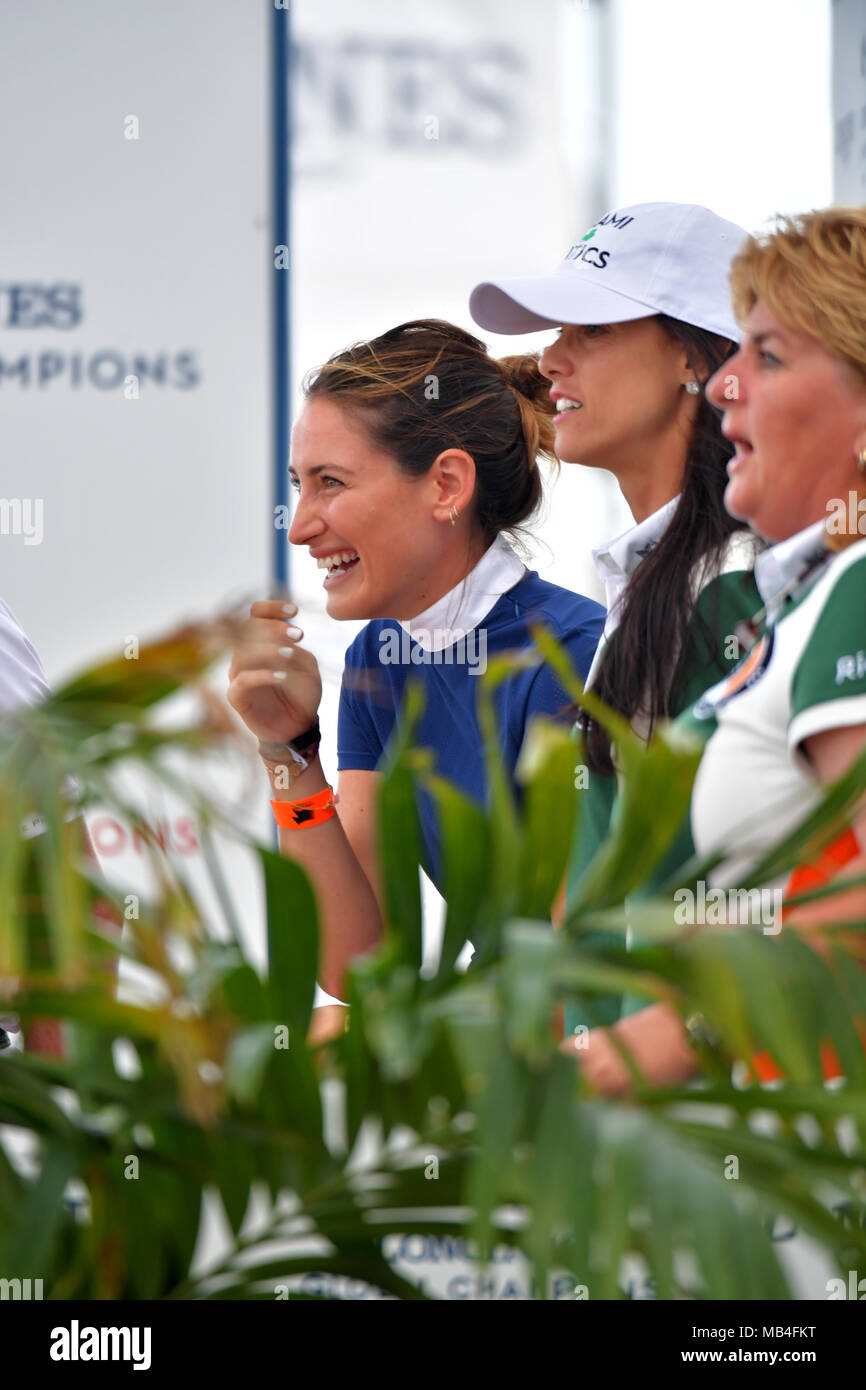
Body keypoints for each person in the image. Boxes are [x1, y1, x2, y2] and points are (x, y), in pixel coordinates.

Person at [558, 205, 866, 1092]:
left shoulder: (836, 591)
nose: (730, 384)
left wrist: (631, 1055)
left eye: (766, 356)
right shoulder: (803, 595)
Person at [227, 319, 604, 1003]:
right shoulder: (381, 655)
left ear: (446, 486)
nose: (301, 525)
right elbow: (356, 966)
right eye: (298, 486)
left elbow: (572, 978)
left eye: (331, 483)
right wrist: (291, 753)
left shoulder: (572, 655)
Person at [470, 201, 763, 1036]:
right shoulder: (656, 581)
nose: (552, 359)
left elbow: (738, 888)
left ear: (693, 356)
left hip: (690, 1122)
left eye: (591, 330)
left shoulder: (734, 588)